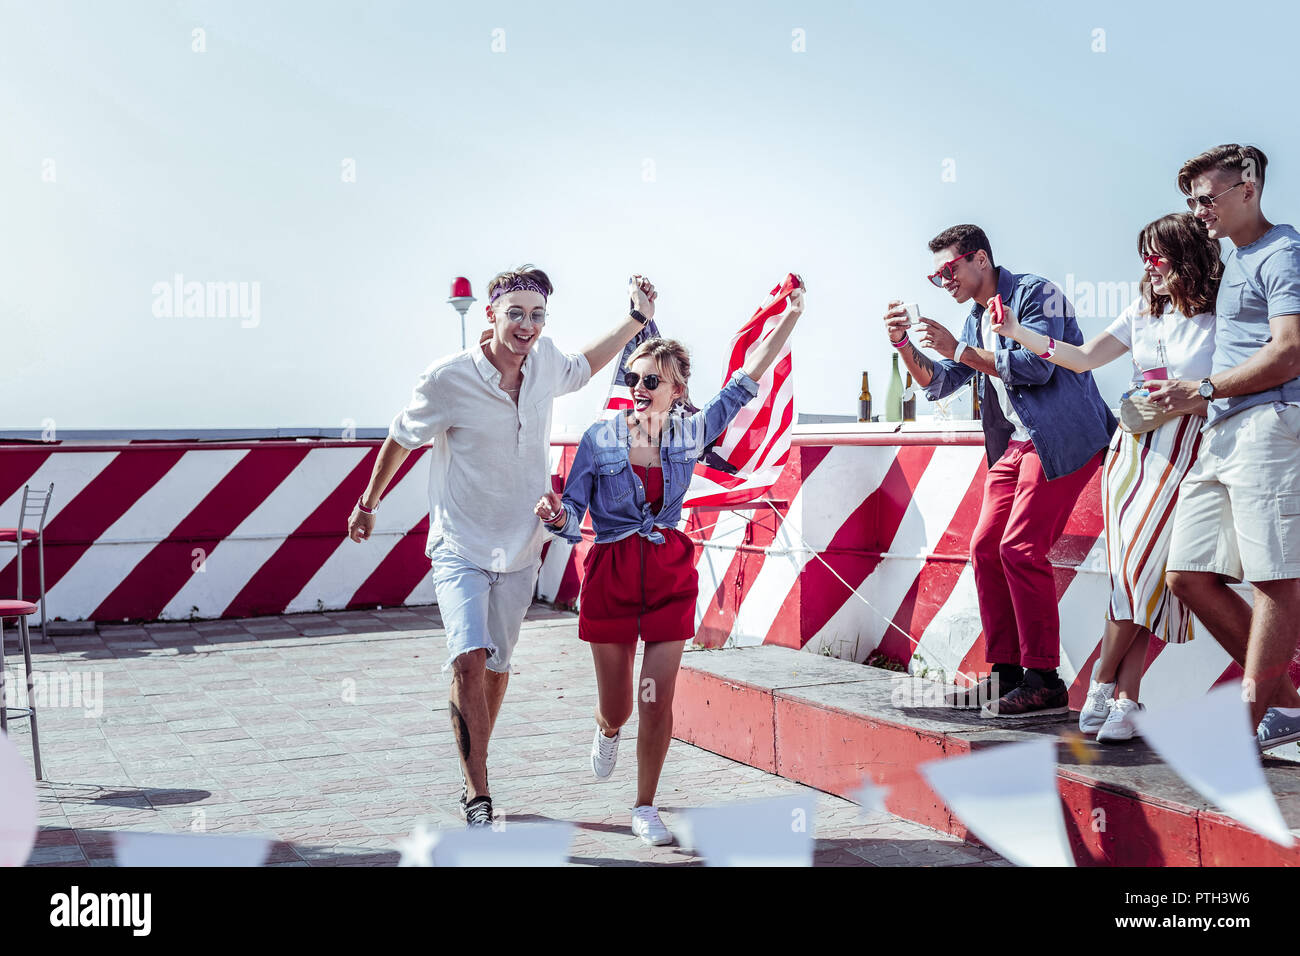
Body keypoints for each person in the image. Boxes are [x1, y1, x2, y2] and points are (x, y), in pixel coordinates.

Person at [347, 266, 658, 827]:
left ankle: (475, 762)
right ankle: (478, 792)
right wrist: (368, 504)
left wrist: (636, 318)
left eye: (537, 315)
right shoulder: (447, 379)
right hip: (460, 545)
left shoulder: (543, 365)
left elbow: (587, 365)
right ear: (489, 315)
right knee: (467, 660)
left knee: (496, 665)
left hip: (520, 549)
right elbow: (400, 437)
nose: (526, 325)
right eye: (515, 313)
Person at [534, 287, 805, 845]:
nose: (638, 388)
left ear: (676, 390)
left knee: (656, 696)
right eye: (634, 379)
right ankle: (607, 730)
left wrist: (790, 319)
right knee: (618, 707)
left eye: (651, 381)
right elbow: (574, 520)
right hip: (610, 573)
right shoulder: (599, 438)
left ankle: (645, 806)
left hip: (667, 573)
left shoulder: (690, 432)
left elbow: (747, 381)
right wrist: (556, 515)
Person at [991, 213, 1221, 742]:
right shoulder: (1143, 309)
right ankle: (1128, 701)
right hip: (1130, 452)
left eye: (1158, 255)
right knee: (1131, 577)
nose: (1149, 266)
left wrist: (1196, 391)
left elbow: (1231, 382)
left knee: (1143, 571)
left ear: (1187, 256)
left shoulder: (1221, 313)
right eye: (1145, 256)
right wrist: (1016, 332)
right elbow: (1083, 357)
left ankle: (1099, 682)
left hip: (1184, 450)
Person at [883, 224, 1116, 718]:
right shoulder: (972, 320)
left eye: (949, 269)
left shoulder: (1036, 295)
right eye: (935, 275)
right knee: (986, 548)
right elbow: (944, 383)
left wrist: (959, 351)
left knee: (1020, 549)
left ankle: (1045, 682)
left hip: (1059, 440)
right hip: (1012, 447)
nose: (944, 281)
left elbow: (1038, 367)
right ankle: (1008, 675)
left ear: (981, 259)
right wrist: (904, 345)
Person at [1149, 145, 1300, 751]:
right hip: (1223, 428)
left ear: (1249, 188)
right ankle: (1286, 706)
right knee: (1187, 576)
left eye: (1206, 198)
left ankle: (1243, 727)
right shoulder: (1233, 256)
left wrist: (1205, 388)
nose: (1197, 210)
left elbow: (1288, 350)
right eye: (1190, 201)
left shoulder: (1283, 253)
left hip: (1269, 425)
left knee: (1275, 576)